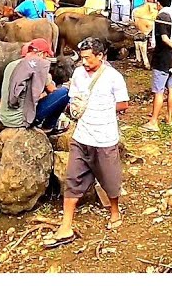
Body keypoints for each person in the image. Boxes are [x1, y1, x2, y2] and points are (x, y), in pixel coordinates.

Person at [45, 38, 129, 248]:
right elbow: (73, 98)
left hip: (105, 137)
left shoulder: (113, 77)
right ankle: (66, 225)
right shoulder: (78, 74)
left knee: (110, 178)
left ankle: (115, 211)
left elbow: (123, 104)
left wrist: (102, 108)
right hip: (81, 136)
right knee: (73, 179)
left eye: (88, 58)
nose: (84, 62)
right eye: (82, 58)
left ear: (100, 56)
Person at [0, 38, 70, 132]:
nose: (45, 59)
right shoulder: (39, 66)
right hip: (21, 120)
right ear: (41, 53)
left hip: (5, 118)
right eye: (46, 56)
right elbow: (53, 91)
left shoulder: (11, 65)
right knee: (64, 93)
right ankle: (48, 127)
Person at [144, 0, 172, 131]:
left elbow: (164, 38)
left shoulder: (161, 17)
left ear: (159, 3)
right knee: (171, 88)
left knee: (158, 91)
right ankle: (169, 118)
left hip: (162, 57)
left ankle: (153, 122)